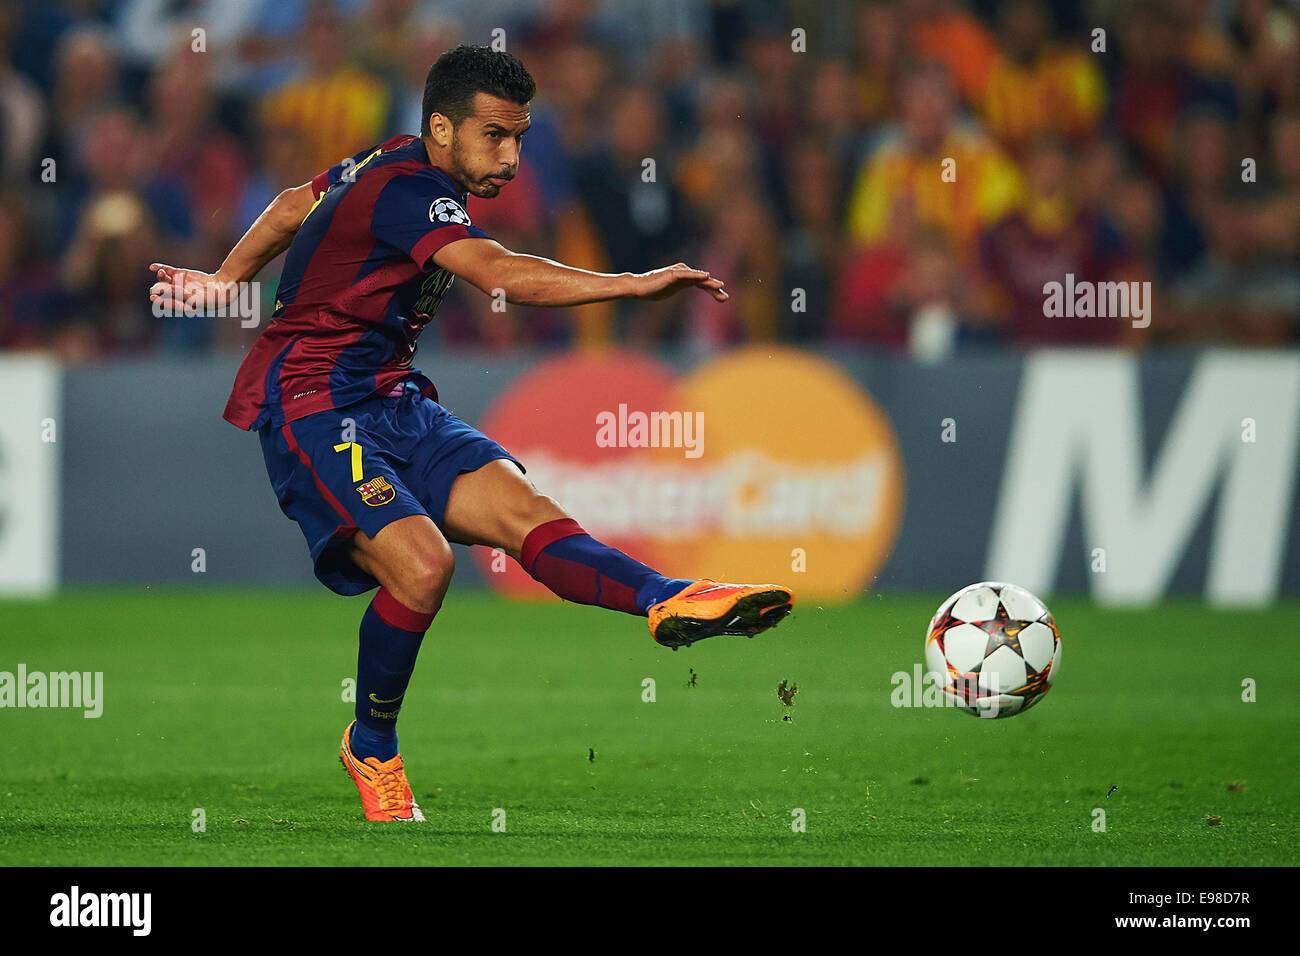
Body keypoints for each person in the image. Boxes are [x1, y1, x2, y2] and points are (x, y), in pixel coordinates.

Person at [146, 45, 794, 823]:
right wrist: (629, 282)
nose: (513, 158)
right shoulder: (412, 192)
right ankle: (373, 746)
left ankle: (668, 600)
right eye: (496, 137)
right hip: (312, 402)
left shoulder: (390, 156)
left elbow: (292, 203)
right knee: (421, 568)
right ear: (443, 129)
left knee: (524, 511)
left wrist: (225, 281)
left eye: (520, 137)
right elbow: (500, 276)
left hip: (391, 397)